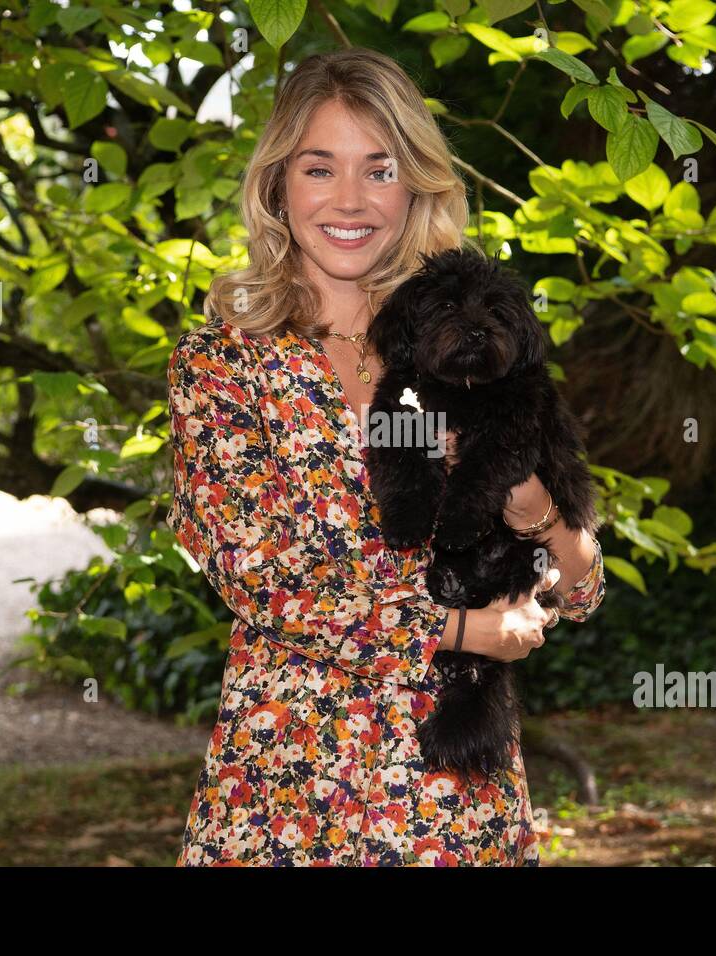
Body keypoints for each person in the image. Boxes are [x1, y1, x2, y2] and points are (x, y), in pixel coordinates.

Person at [166, 48, 606, 866]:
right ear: (277, 185)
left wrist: (550, 526)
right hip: (290, 791)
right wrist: (460, 628)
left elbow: (578, 589)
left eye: (379, 169)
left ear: (416, 188)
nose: (349, 200)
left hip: (459, 797)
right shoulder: (226, 363)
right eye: (319, 168)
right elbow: (264, 579)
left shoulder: (467, 343)